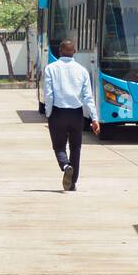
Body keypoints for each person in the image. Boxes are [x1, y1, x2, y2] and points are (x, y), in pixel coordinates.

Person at [43, 38, 99, 191]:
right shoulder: (82, 70)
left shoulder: (51, 68)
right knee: (76, 148)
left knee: (59, 146)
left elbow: (48, 94)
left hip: (57, 112)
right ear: (74, 52)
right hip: (76, 113)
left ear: (59, 51)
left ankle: (66, 165)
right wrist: (94, 118)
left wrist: (48, 112)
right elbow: (88, 97)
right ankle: (72, 183)